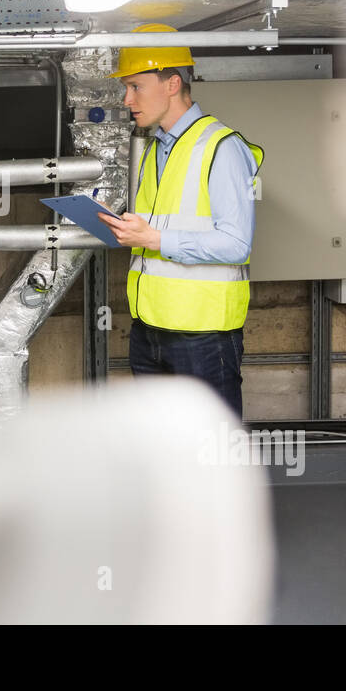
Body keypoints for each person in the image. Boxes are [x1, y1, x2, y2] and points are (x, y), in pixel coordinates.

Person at [98, 24, 264, 418]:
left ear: (172, 84)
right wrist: (127, 230)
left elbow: (237, 243)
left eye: (135, 86)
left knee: (211, 453)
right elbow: (161, 225)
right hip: (148, 330)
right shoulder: (155, 147)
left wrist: (156, 239)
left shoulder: (222, 148)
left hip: (203, 337)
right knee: (166, 452)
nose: (127, 99)